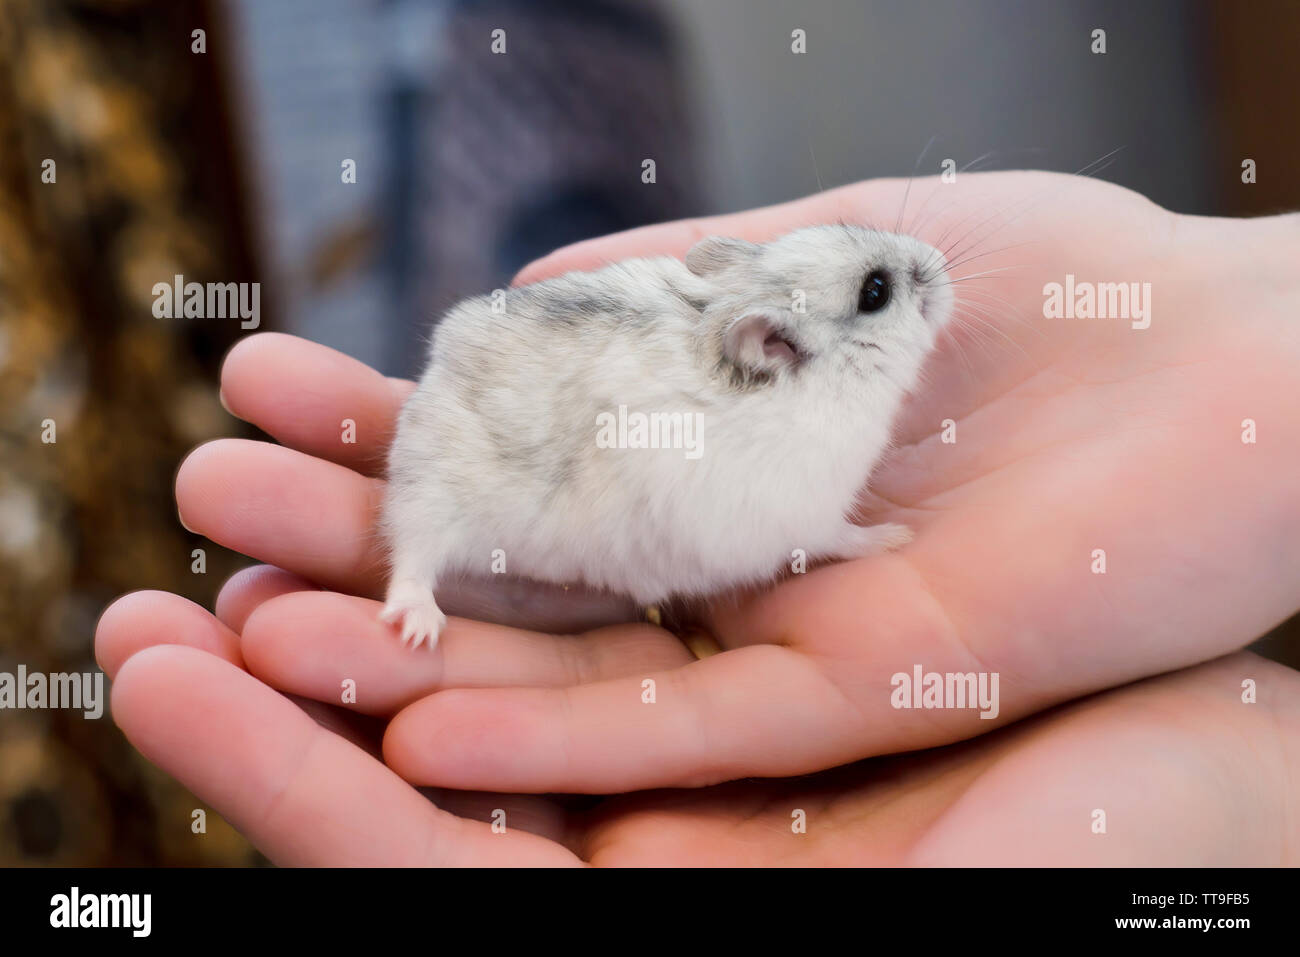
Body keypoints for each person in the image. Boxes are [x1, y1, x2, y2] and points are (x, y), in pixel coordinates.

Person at [95, 172, 1300, 865]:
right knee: (453, 486)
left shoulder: (803, 420)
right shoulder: (744, 420)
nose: (926, 287)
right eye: (880, 293)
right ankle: (417, 573)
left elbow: (755, 521)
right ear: (776, 349)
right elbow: (484, 404)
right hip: (520, 442)